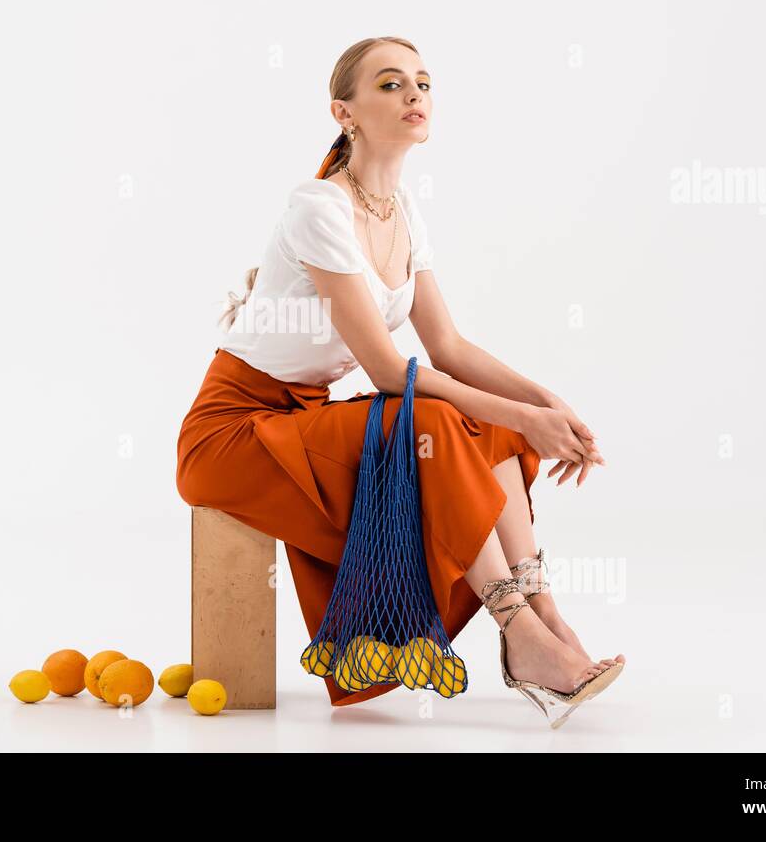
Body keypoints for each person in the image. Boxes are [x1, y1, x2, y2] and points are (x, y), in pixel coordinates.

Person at [176, 36, 624, 725]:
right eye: (390, 84)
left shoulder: (402, 211)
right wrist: (528, 417)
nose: (414, 94)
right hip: (233, 434)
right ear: (343, 111)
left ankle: (546, 614)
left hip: (300, 418)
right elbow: (391, 372)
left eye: (422, 81)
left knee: (488, 419)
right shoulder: (318, 207)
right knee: (435, 419)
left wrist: (543, 402)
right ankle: (521, 636)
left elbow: (446, 346)